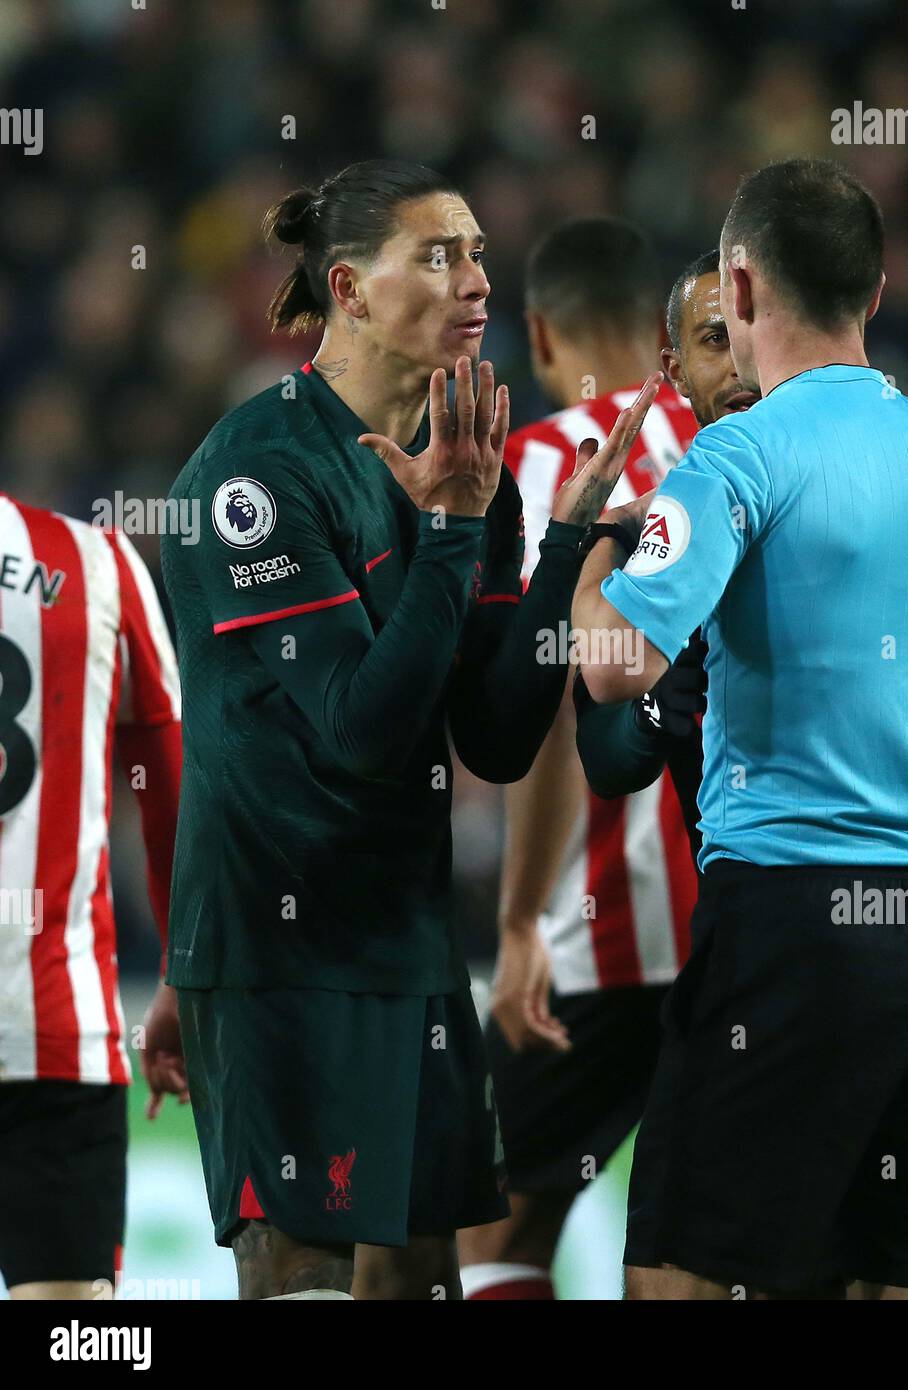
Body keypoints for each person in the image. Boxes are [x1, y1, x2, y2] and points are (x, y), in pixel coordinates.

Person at [161, 159, 658, 1300]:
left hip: (408, 936)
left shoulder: (468, 460)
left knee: (427, 1276)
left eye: (478, 254)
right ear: (348, 289)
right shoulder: (256, 475)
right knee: (306, 1279)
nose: (476, 281)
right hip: (277, 945)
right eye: (438, 257)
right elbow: (361, 729)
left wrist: (566, 549)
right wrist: (449, 531)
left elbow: (493, 738)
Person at [576, 252, 908, 1300]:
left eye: (743, 329)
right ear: (674, 369)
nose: (738, 361)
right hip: (791, 937)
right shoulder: (672, 530)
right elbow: (611, 754)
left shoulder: (904, 473)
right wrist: (668, 691)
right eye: (710, 341)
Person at [457, 218, 703, 1302]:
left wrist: (518, 923)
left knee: (490, 1230)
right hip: (756, 910)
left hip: (600, 932)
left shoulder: (535, 468)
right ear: (663, 330)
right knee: (714, 1247)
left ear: (542, 333)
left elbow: (550, 709)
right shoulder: (737, 442)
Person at [0, 493, 185, 1299]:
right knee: (73, 1341)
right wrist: (184, 975)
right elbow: (173, 791)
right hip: (55, 1031)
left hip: (58, 1036)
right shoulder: (98, 561)